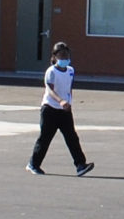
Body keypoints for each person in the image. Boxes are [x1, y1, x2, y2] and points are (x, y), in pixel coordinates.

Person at [26, 41, 93, 177]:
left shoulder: (70, 71)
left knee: (72, 137)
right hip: (50, 109)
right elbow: (50, 90)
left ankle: (80, 165)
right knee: (45, 138)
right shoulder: (51, 72)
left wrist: (68, 102)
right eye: (61, 55)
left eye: (66, 54)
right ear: (55, 57)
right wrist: (60, 101)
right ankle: (33, 164)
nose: (64, 58)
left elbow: (68, 88)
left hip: (65, 111)